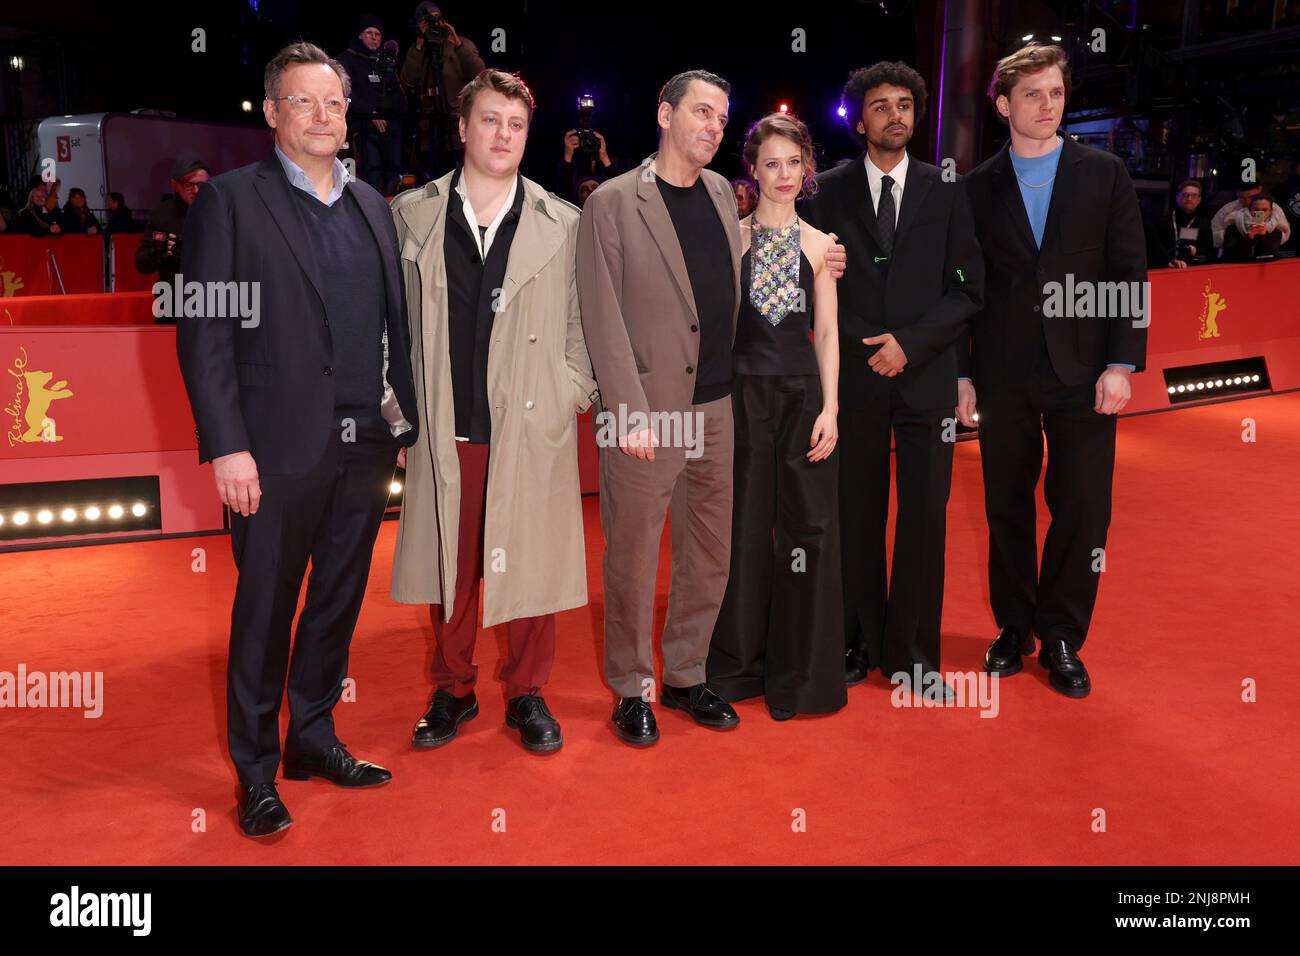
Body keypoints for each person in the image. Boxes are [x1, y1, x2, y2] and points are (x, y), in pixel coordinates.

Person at [176, 41, 419, 838]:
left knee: (337, 602)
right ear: (273, 112)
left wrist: (401, 421)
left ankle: (312, 737)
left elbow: (390, 328)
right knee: (264, 611)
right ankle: (254, 772)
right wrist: (227, 446)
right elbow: (203, 332)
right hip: (272, 449)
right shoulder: (230, 202)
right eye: (304, 101)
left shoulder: (373, 205)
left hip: (364, 443)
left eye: (335, 103)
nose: (323, 116)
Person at [390, 69, 598, 754]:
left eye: (515, 124)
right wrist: (398, 412)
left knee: (530, 563)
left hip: (529, 425)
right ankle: (453, 689)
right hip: (445, 425)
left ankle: (527, 691)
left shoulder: (563, 223)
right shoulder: (411, 215)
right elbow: (388, 323)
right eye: (489, 120)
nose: (502, 135)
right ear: (463, 127)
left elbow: (583, 326)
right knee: (449, 568)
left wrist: (569, 393)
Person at [961, 43, 1147, 697]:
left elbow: (1128, 270)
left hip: (1085, 369)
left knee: (1084, 508)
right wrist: (961, 374)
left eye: (1057, 93)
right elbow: (962, 287)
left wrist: (1121, 362)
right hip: (1003, 371)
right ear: (1003, 105)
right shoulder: (975, 187)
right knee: (1006, 505)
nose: (1048, 105)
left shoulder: (1104, 174)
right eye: (1033, 94)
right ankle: (1015, 626)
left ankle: (1062, 634)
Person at [801, 62, 983, 695]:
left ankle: (914, 657)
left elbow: (968, 289)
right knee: (856, 514)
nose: (895, 115)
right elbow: (811, 289)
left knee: (924, 519)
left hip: (926, 378)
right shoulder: (824, 191)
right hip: (853, 379)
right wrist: (867, 346)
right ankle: (858, 643)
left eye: (904, 104)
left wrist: (910, 344)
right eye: (880, 106)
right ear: (859, 120)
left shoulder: (946, 189)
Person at [577, 70, 745, 745]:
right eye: (701, 112)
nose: (713, 127)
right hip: (647, 410)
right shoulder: (613, 202)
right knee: (633, 556)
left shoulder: (723, 194)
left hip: (717, 405)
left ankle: (685, 673)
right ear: (665, 114)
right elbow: (601, 315)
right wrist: (629, 410)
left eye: (722, 118)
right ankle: (631, 687)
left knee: (708, 552)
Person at [705, 113, 846, 720]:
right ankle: (735, 668)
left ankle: (802, 675)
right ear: (753, 170)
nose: (784, 175)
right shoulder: (729, 239)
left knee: (809, 529)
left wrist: (831, 407)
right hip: (741, 398)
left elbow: (828, 333)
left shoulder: (821, 245)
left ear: (807, 167)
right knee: (741, 527)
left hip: (803, 399)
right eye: (771, 164)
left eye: (793, 163)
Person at [401, 2, 485, 177]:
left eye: (437, 18)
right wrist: (419, 45)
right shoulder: (419, 50)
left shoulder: (460, 44)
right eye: (428, 21)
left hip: (457, 126)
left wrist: (458, 44)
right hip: (430, 130)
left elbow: (480, 73)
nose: (435, 24)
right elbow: (408, 80)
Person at [338, 14, 406, 194]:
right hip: (362, 130)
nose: (374, 37)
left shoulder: (386, 63)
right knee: (370, 178)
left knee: (394, 180)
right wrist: (370, 113)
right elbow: (344, 92)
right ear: (360, 35)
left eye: (378, 34)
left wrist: (388, 105)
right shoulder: (346, 59)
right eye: (369, 33)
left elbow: (400, 99)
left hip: (390, 131)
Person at [135, 157, 210, 300]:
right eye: (189, 185)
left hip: (212, 297)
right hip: (172, 297)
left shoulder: (220, 211)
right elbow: (141, 264)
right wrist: (158, 252)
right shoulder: (162, 214)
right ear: (175, 185)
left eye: (202, 185)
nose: (196, 190)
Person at [1211, 180, 1290, 254]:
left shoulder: (1275, 210)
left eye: (1252, 197)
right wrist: (1246, 236)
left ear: (1259, 189)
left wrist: (1266, 233)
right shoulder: (1227, 211)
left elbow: (1281, 239)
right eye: (1242, 197)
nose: (1247, 202)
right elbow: (1216, 239)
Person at [1151, 178, 1212, 268]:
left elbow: (1210, 253)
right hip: (1165, 267)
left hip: (1191, 269)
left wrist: (1196, 251)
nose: (1189, 198)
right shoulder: (1161, 221)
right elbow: (1154, 247)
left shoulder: (1204, 224)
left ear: (1199, 200)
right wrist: (1168, 260)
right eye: (1185, 195)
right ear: (1177, 198)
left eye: (1194, 196)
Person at [1223, 193, 1285, 261]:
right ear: (1249, 210)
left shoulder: (1276, 232)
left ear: (1270, 212)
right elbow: (1229, 256)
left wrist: (1264, 235)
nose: (1260, 213)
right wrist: (1249, 237)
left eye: (1264, 210)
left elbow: (1271, 256)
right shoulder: (1232, 229)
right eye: (1256, 209)